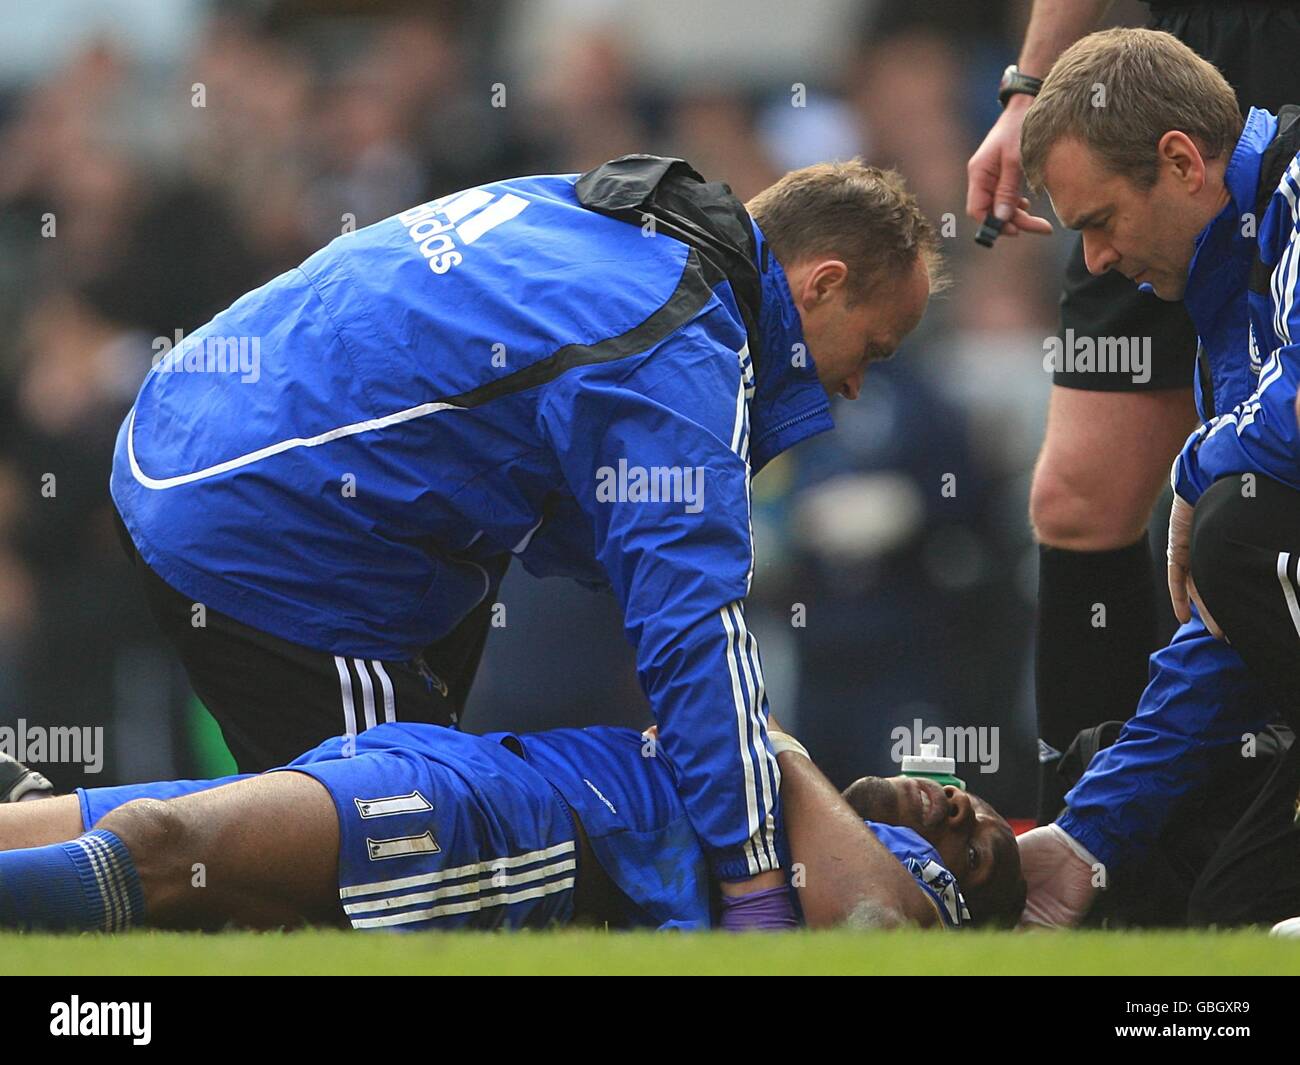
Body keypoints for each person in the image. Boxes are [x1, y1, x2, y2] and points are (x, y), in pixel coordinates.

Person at [110, 154, 940, 911]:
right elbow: (693, 620)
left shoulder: (606, 222)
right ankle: (61, 866)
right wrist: (757, 879)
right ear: (822, 284)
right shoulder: (681, 342)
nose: (859, 386)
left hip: (195, 434)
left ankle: (39, 824)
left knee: (374, 838)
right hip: (274, 518)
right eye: (875, 347)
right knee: (391, 860)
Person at [966, 0, 1300, 823]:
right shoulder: (1162, 203)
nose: (1093, 259)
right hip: (1168, 57)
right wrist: (1028, 88)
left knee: (1235, 520)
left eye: (1098, 229)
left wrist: (1197, 470)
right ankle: (1091, 842)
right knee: (1091, 502)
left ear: (1186, 165)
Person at [0, 719, 1025, 933]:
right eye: (975, 804)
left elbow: (874, 927)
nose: (963, 809)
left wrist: (780, 744)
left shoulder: (882, 865)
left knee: (157, 849)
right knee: (28, 819)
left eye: (973, 850)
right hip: (451, 760)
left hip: (514, 830)